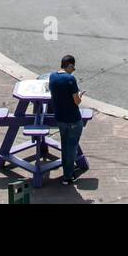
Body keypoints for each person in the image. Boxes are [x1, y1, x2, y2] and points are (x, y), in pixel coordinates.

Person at [48, 55, 84, 186]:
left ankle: (67, 173)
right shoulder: (70, 79)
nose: (74, 69)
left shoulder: (52, 76)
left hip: (60, 118)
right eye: (73, 66)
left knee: (64, 145)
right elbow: (76, 101)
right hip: (73, 118)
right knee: (71, 148)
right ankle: (67, 176)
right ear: (69, 65)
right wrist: (80, 96)